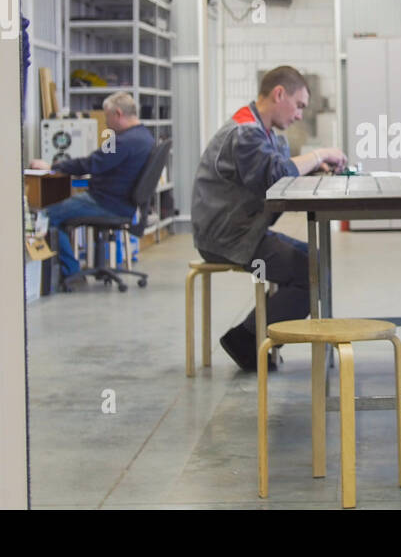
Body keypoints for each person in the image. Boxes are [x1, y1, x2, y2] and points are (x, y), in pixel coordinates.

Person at [191, 66, 348, 372]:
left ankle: (251, 336)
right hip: (226, 238)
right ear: (279, 94)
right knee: (309, 272)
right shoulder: (244, 132)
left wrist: (313, 171)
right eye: (299, 105)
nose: (300, 115)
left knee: (316, 261)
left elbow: (275, 173)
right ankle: (247, 340)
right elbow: (273, 176)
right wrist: (319, 155)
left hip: (244, 232)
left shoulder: (262, 132)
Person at [31, 91, 156, 290]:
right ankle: (71, 270)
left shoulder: (121, 141)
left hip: (105, 203)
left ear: (118, 113)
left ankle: (71, 272)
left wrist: (53, 167)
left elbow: (92, 163)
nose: (106, 123)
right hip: (123, 204)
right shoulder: (145, 137)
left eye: (107, 116)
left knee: (46, 215)